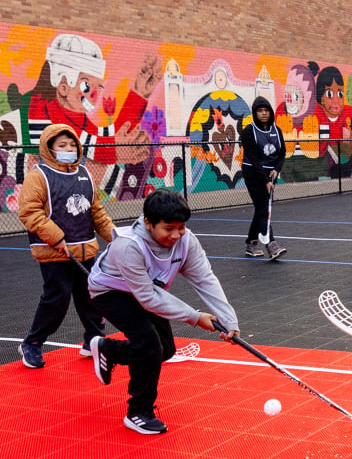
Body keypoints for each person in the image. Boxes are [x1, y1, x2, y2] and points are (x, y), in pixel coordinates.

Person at [87, 191, 240, 435]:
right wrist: (195, 317)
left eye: (181, 227)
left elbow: (204, 279)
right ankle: (138, 412)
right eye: (168, 229)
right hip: (110, 292)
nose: (176, 235)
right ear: (148, 223)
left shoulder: (186, 241)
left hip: (148, 292)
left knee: (165, 349)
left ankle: (110, 349)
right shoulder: (128, 246)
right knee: (149, 344)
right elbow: (147, 297)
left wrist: (229, 321)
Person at [16, 123, 116, 368]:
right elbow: (29, 212)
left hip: (85, 249)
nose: (69, 149)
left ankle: (93, 340)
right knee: (56, 300)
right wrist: (56, 237)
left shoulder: (85, 174)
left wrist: (117, 239)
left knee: (92, 296)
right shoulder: (38, 176)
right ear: (49, 148)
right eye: (62, 145)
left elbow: (97, 212)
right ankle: (32, 343)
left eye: (72, 145)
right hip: (55, 252)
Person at [240, 96, 287, 259]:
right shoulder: (248, 131)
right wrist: (265, 181)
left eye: (266, 110)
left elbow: (282, 153)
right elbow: (254, 159)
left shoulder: (276, 130)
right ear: (255, 113)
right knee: (263, 208)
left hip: (269, 174)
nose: (264, 113)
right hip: (253, 173)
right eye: (260, 111)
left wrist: (276, 169)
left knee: (261, 208)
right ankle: (271, 244)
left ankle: (251, 243)